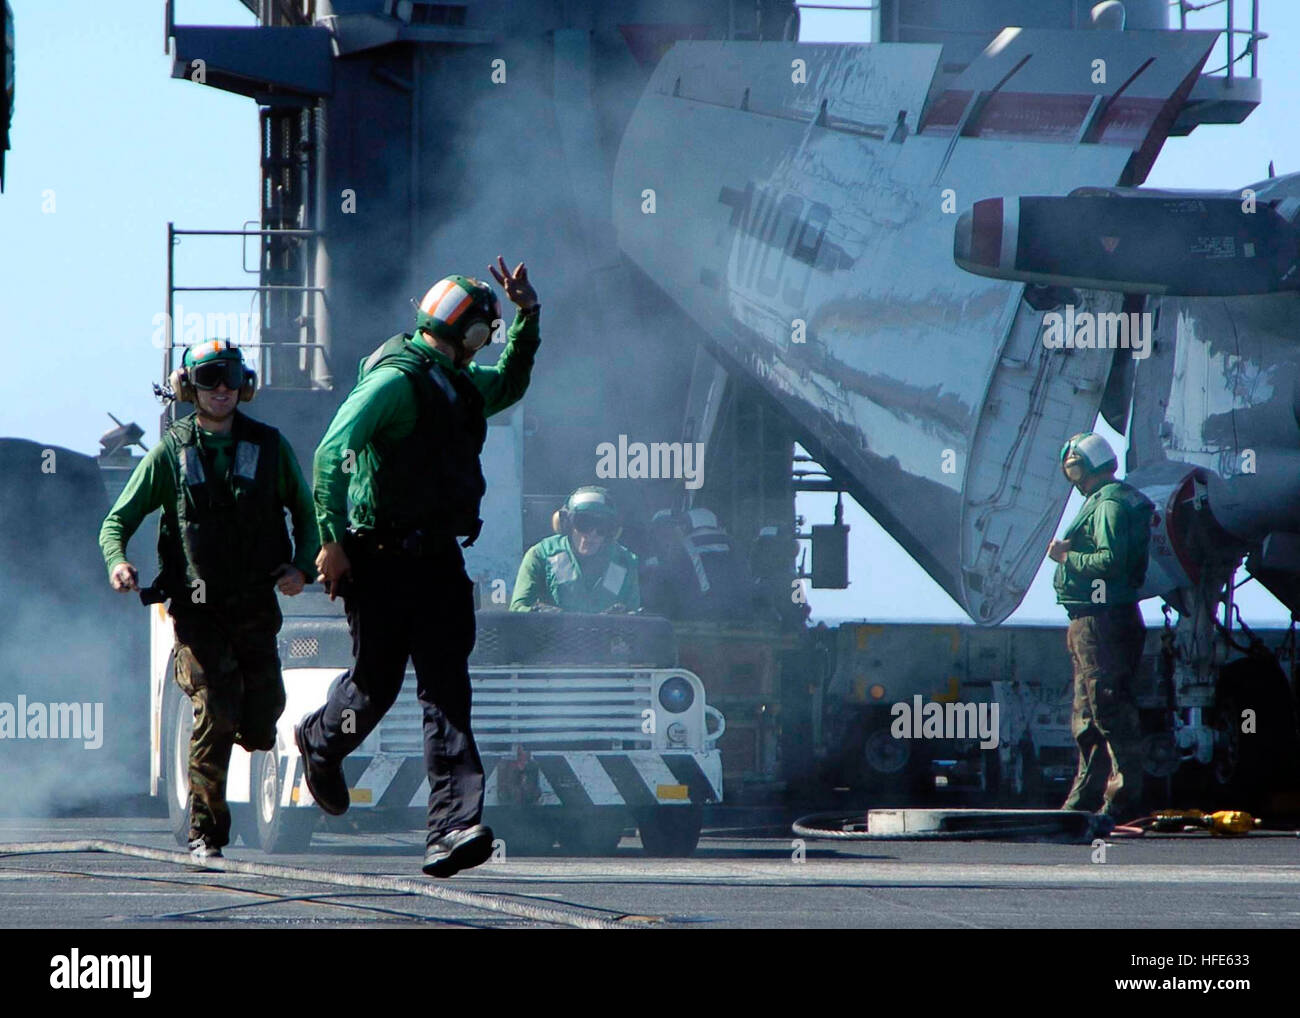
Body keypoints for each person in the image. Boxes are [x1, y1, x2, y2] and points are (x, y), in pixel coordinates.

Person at [298, 259, 540, 878]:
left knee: (447, 691)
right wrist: (331, 543)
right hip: (378, 560)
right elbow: (332, 454)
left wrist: (527, 319)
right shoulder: (396, 383)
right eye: (486, 331)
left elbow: (507, 386)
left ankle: (450, 829)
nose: (486, 343)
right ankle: (321, 741)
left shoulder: (455, 381)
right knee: (373, 689)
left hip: (437, 559)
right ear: (470, 334)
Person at [99, 339, 318, 863]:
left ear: (245, 384)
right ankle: (207, 833)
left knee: (265, 715)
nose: (221, 389)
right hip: (197, 610)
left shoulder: (270, 447)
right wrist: (118, 563)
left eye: (230, 378)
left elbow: (307, 519)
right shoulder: (170, 454)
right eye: (209, 378)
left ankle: (241, 725)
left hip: (254, 605)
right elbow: (117, 522)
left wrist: (302, 567)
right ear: (188, 387)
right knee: (215, 710)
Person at [1047, 431, 1154, 820]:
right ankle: (1085, 800)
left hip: (1101, 621)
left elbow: (1109, 561)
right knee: (1089, 715)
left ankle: (1121, 801)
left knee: (1107, 709)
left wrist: (1066, 557)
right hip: (1094, 621)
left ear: (1078, 467)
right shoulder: (1112, 499)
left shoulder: (1108, 504)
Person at [510, 486, 639, 613]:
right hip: (550, 633)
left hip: (607, 634)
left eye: (602, 526)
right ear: (567, 524)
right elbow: (517, 610)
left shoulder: (625, 561)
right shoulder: (541, 555)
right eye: (583, 522)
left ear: (612, 531)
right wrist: (541, 615)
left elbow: (635, 619)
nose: (592, 534)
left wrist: (623, 617)